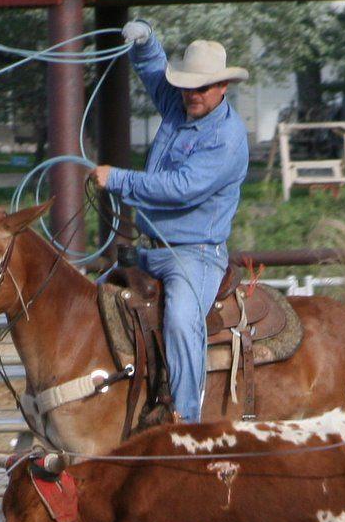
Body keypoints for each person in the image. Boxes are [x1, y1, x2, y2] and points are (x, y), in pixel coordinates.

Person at [90, 21, 249, 423]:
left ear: (222, 87)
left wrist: (119, 179)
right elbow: (153, 71)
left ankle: (186, 419)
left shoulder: (227, 137)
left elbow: (183, 188)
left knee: (180, 321)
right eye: (187, 87)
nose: (191, 94)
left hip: (195, 256)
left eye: (201, 88)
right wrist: (144, 40)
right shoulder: (182, 104)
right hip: (152, 248)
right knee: (94, 299)